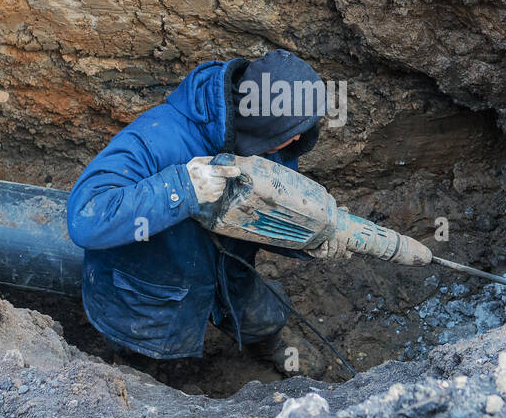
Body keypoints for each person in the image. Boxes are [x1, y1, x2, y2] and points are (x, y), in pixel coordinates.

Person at [66, 50, 349, 361]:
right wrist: (184, 187)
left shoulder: (273, 141)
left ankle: (267, 344)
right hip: (151, 295)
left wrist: (311, 239)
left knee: (262, 317)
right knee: (141, 360)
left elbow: (271, 213)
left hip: (231, 275)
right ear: (265, 124)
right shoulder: (157, 137)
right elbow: (85, 216)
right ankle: (142, 376)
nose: (297, 141)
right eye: (292, 133)